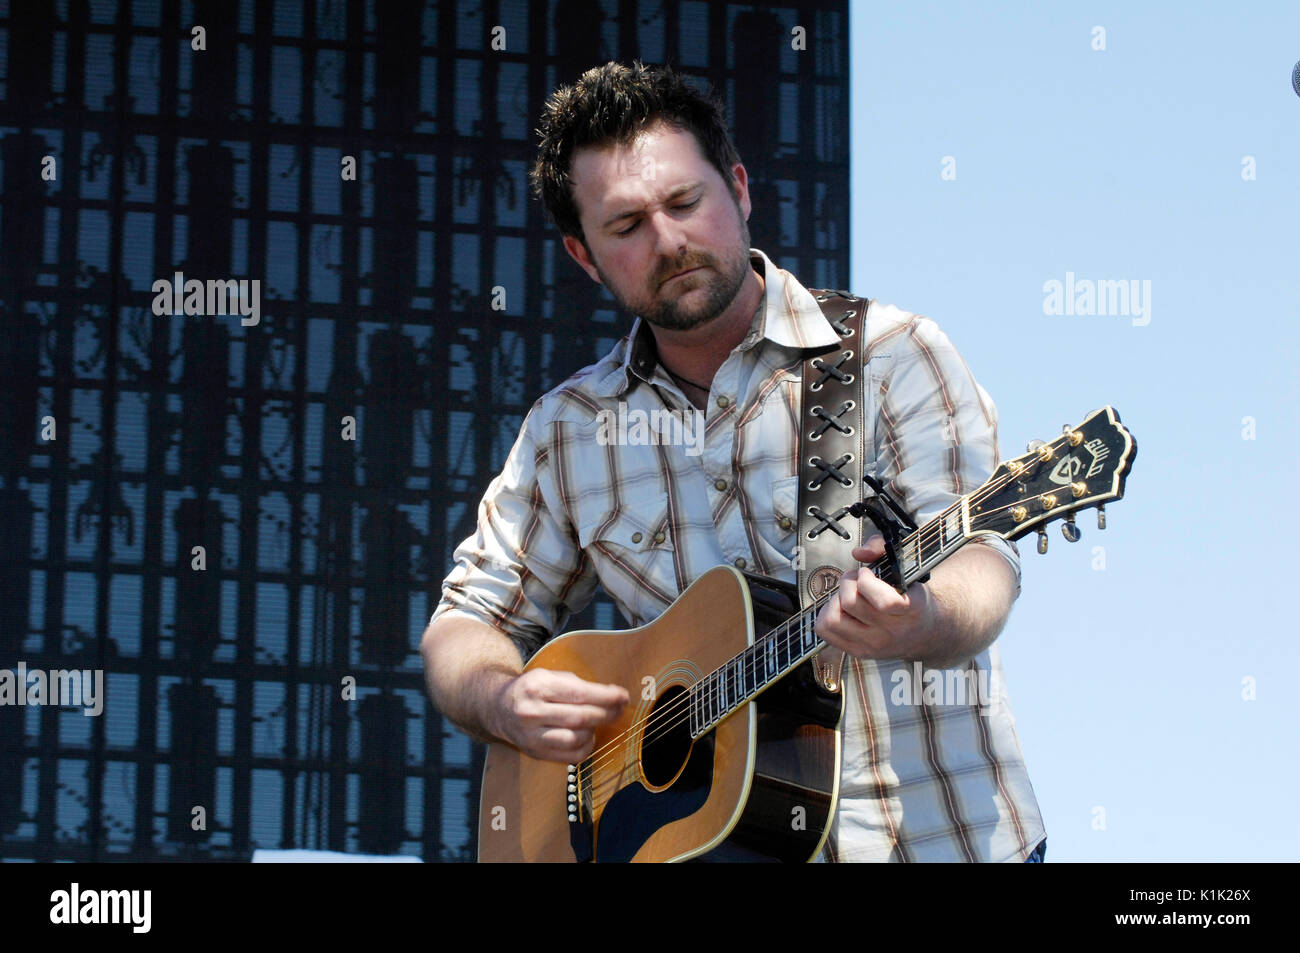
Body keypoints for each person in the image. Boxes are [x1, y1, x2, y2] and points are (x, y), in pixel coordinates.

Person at [421, 61, 1045, 862]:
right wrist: (504, 700)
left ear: (740, 189)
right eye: (627, 226)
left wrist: (921, 617)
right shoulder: (565, 429)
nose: (670, 240)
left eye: (687, 202)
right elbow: (466, 621)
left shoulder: (892, 356)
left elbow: (983, 564)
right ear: (584, 256)